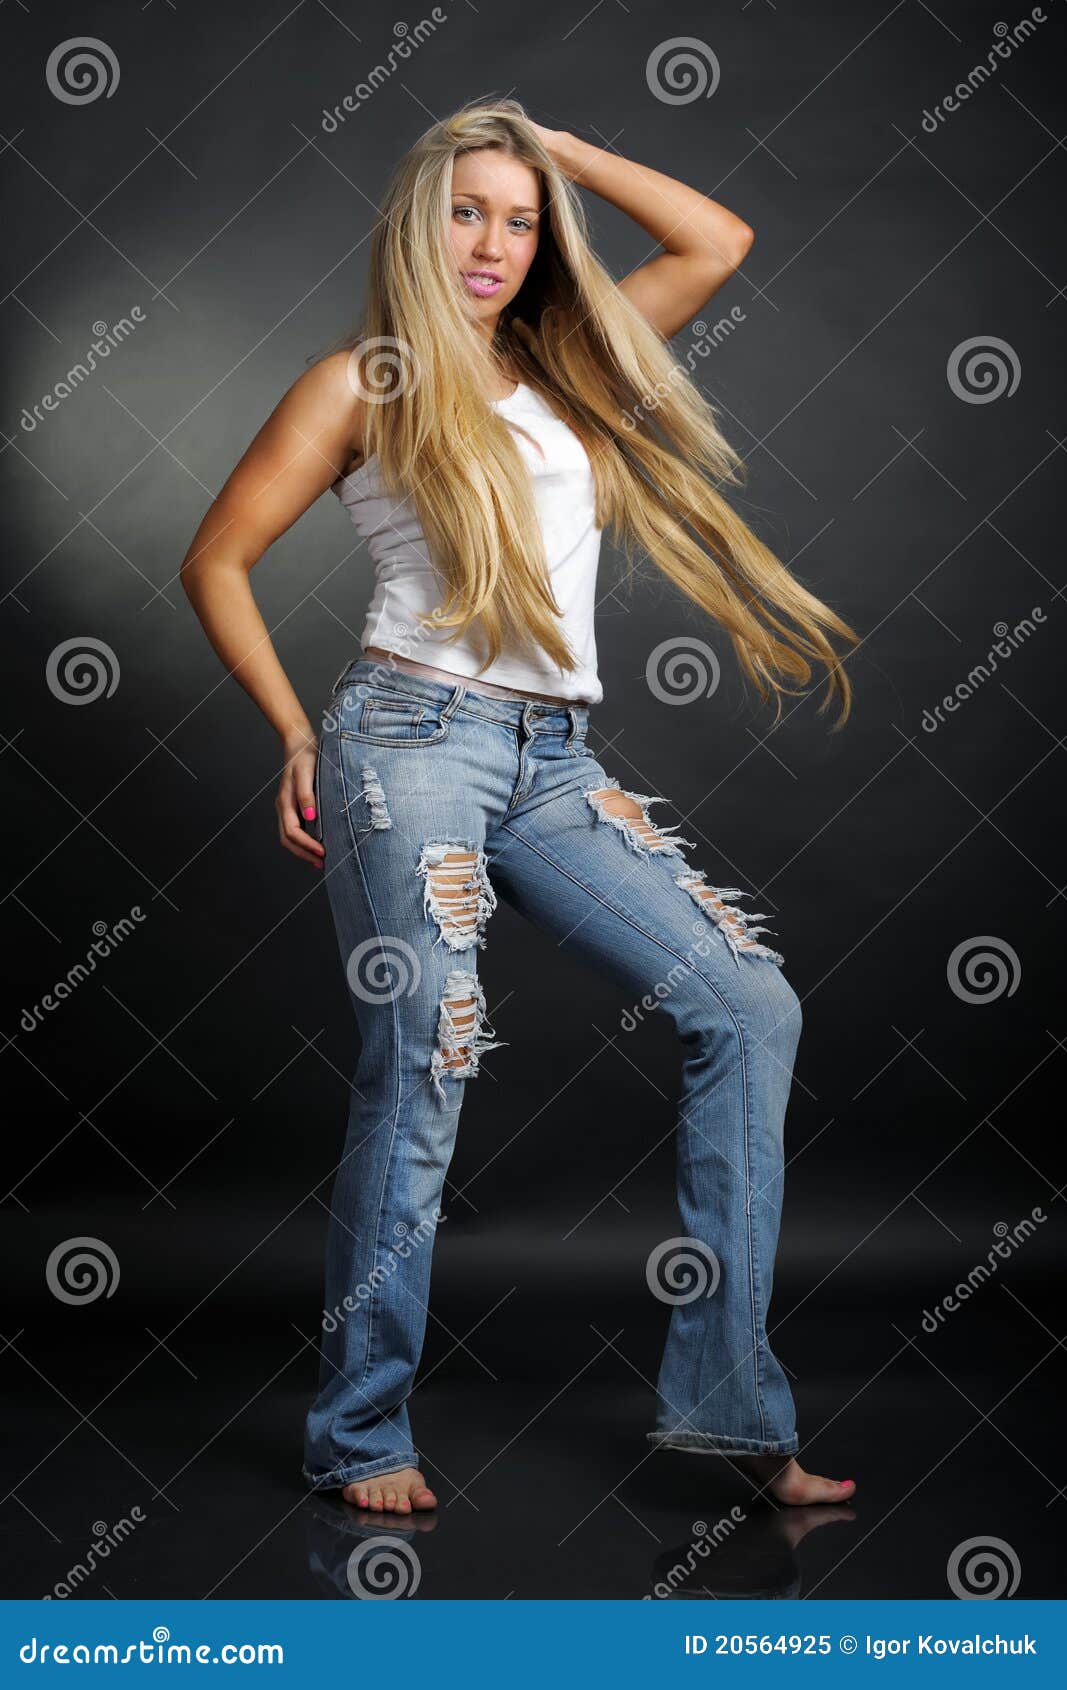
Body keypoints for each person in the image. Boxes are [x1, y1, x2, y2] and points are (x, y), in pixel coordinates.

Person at [180, 98, 860, 1518]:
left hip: (554, 755)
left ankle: (729, 1414)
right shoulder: (355, 383)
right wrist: (299, 730)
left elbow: (717, 237)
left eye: (521, 216)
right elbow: (218, 560)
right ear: (417, 226)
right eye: (467, 211)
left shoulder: (574, 362)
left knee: (749, 1004)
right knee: (427, 1062)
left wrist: (548, 144)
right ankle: (360, 1430)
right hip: (406, 740)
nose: (492, 242)